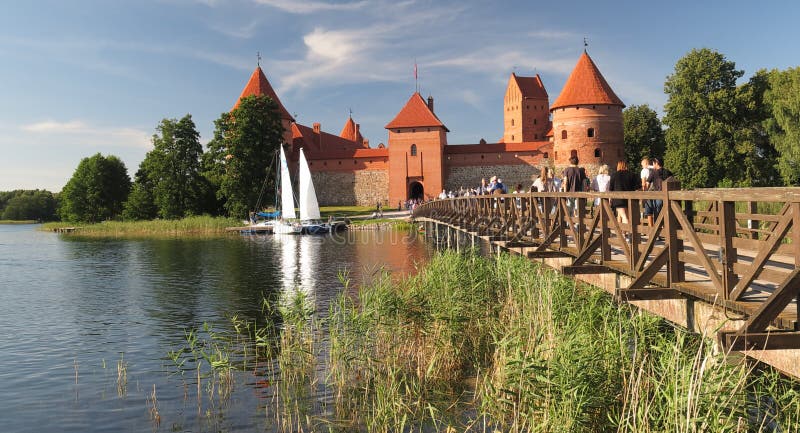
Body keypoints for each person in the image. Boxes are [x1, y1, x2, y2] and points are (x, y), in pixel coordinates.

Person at [609, 160, 639, 233]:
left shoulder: (614, 175)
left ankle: (630, 235)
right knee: (625, 216)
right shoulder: (632, 174)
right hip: (630, 199)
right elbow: (637, 187)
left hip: (618, 199)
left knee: (624, 217)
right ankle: (623, 234)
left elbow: (611, 189)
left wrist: (610, 198)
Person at [645, 157, 674, 226]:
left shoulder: (654, 172)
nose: (653, 165)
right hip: (669, 196)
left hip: (658, 195)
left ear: (656, 163)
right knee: (667, 213)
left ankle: (658, 232)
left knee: (657, 213)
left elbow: (647, 184)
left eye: (653, 164)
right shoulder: (668, 172)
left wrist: (645, 193)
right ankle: (666, 228)